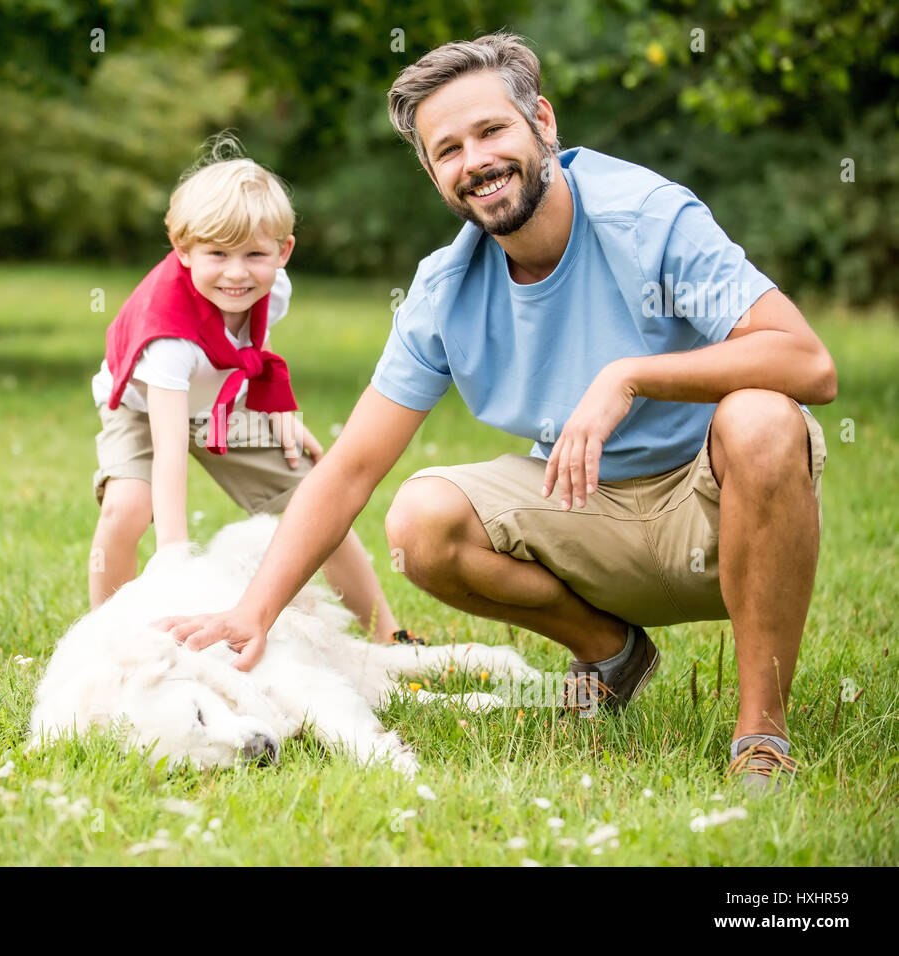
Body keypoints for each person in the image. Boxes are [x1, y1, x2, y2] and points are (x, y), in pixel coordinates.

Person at [156, 35, 836, 793]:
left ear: (542, 121)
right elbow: (351, 467)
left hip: (715, 516)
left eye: (491, 131)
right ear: (432, 172)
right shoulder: (445, 289)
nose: (474, 160)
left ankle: (760, 733)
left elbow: (808, 363)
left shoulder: (648, 218)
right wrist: (254, 612)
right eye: (447, 149)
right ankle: (612, 653)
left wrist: (632, 376)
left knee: (763, 420)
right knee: (420, 519)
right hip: (586, 512)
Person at [89, 140, 408, 644]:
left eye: (254, 255)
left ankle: (391, 635)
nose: (237, 273)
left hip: (220, 404)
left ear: (283, 252)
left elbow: (254, 350)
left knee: (315, 496)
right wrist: (173, 554)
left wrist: (279, 412)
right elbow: (169, 451)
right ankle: (109, 638)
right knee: (125, 508)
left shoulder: (272, 288)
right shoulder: (167, 337)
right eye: (217, 254)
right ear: (183, 250)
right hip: (145, 409)